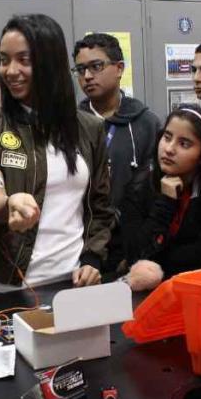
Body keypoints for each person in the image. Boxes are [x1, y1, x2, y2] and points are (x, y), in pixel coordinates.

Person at [0, 14, 112, 293]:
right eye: (4, 60)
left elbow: (99, 207)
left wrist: (93, 258)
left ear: (50, 63)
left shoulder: (89, 128)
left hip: (72, 281)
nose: (10, 70)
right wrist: (6, 203)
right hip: (9, 285)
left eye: (24, 60)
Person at [73, 33, 161, 272]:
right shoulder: (70, 125)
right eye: (80, 69)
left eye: (96, 66)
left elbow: (153, 191)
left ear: (119, 68)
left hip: (130, 243)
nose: (87, 76)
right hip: (81, 244)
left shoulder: (147, 123)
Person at [116, 105, 201, 290]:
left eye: (184, 144)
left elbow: (200, 256)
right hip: (140, 289)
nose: (169, 149)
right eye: (167, 137)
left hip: (189, 288)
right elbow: (136, 255)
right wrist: (166, 201)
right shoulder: (139, 186)